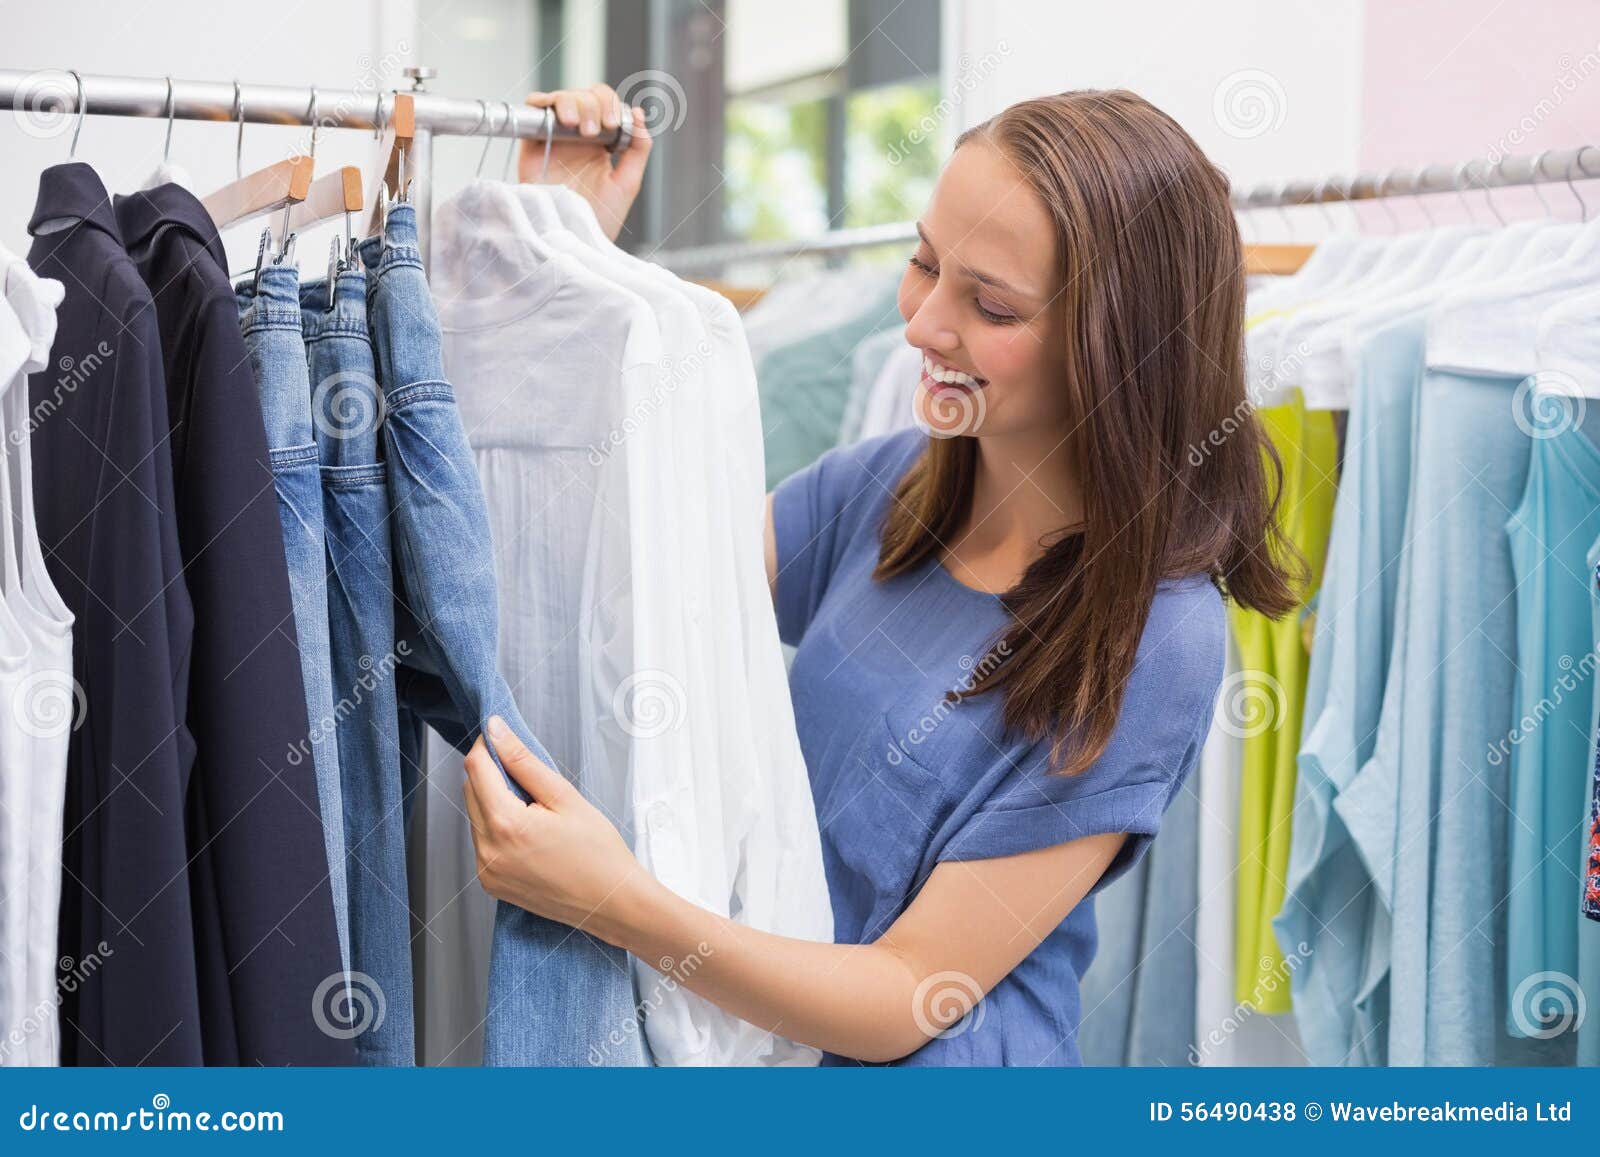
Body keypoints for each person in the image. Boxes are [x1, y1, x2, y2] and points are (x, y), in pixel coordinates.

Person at [462, 84, 1301, 1066]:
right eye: (923, 263)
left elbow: (908, 992)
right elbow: (626, 590)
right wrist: (575, 264)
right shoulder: (887, 486)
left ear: (1118, 347)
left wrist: (616, 902)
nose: (921, 324)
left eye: (988, 305)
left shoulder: (1157, 637)